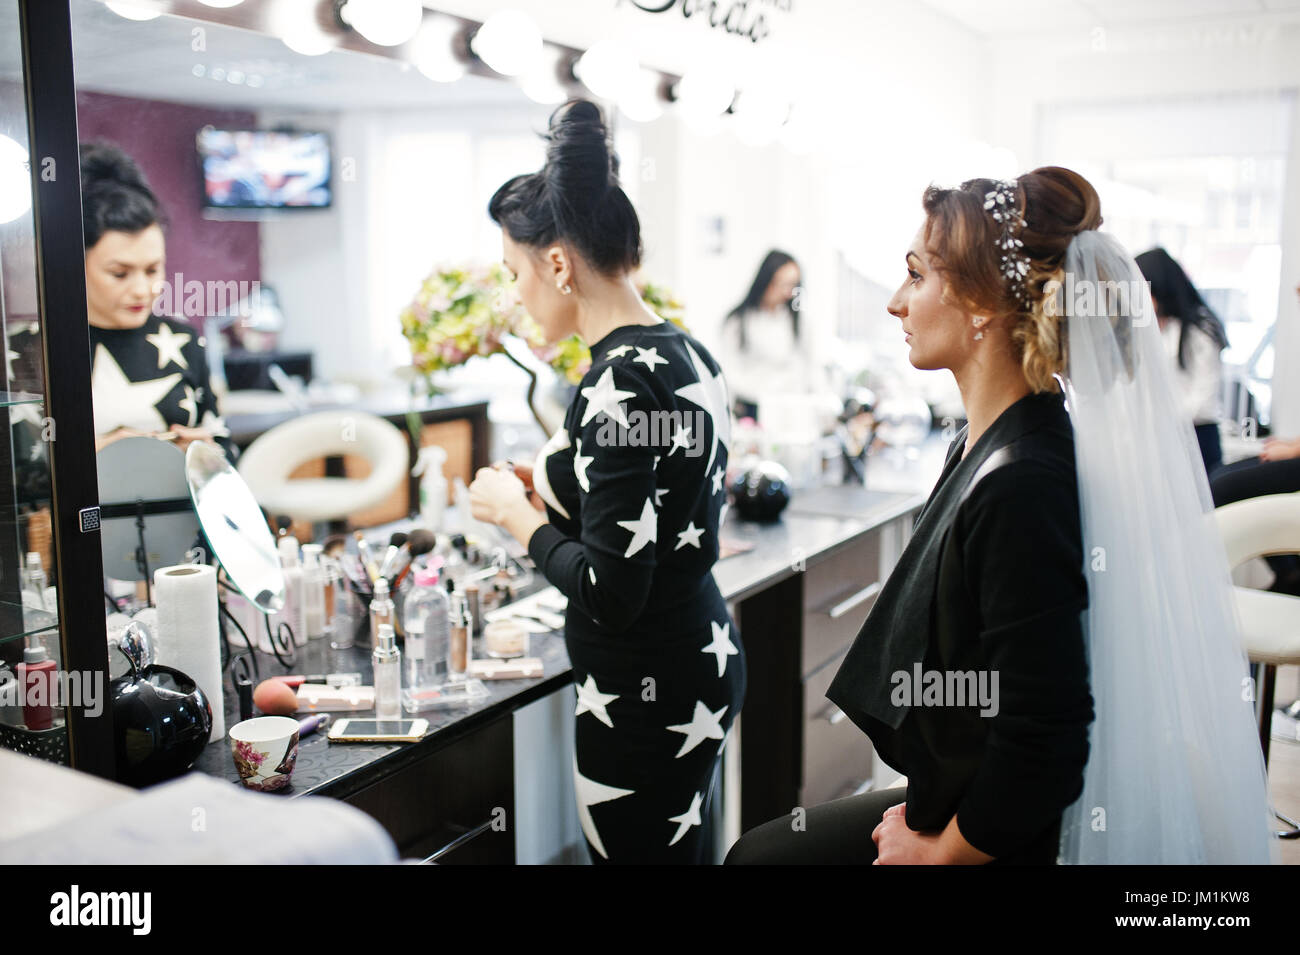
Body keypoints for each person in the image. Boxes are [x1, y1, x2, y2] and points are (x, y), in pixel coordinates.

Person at [727, 167, 1272, 865]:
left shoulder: (1022, 485)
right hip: (960, 788)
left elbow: (1046, 739)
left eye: (916, 276)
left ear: (982, 303)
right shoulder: (983, 443)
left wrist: (941, 851)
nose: (896, 303)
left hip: (1006, 832)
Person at [468, 100, 745, 864]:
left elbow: (612, 588)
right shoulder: (687, 353)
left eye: (515, 273)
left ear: (557, 264)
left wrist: (516, 517)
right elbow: (662, 491)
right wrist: (553, 485)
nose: (515, 293)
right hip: (700, 656)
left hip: (645, 690)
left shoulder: (615, 385)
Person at [77, 142, 232, 457]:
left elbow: (225, 450)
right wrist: (91, 459)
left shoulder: (184, 340)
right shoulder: (30, 352)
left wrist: (204, 451)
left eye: (152, 270)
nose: (142, 289)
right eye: (120, 274)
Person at [1135, 247, 1229, 475]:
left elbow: (1203, 398)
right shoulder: (1147, 329)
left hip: (1196, 437)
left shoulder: (1200, 330)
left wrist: (1162, 422)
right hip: (1162, 439)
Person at [714, 250, 833, 421]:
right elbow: (728, 372)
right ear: (766, 281)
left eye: (793, 285)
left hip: (790, 412)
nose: (788, 292)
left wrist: (823, 408)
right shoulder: (738, 322)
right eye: (782, 284)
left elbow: (813, 368)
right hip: (751, 410)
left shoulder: (800, 323)